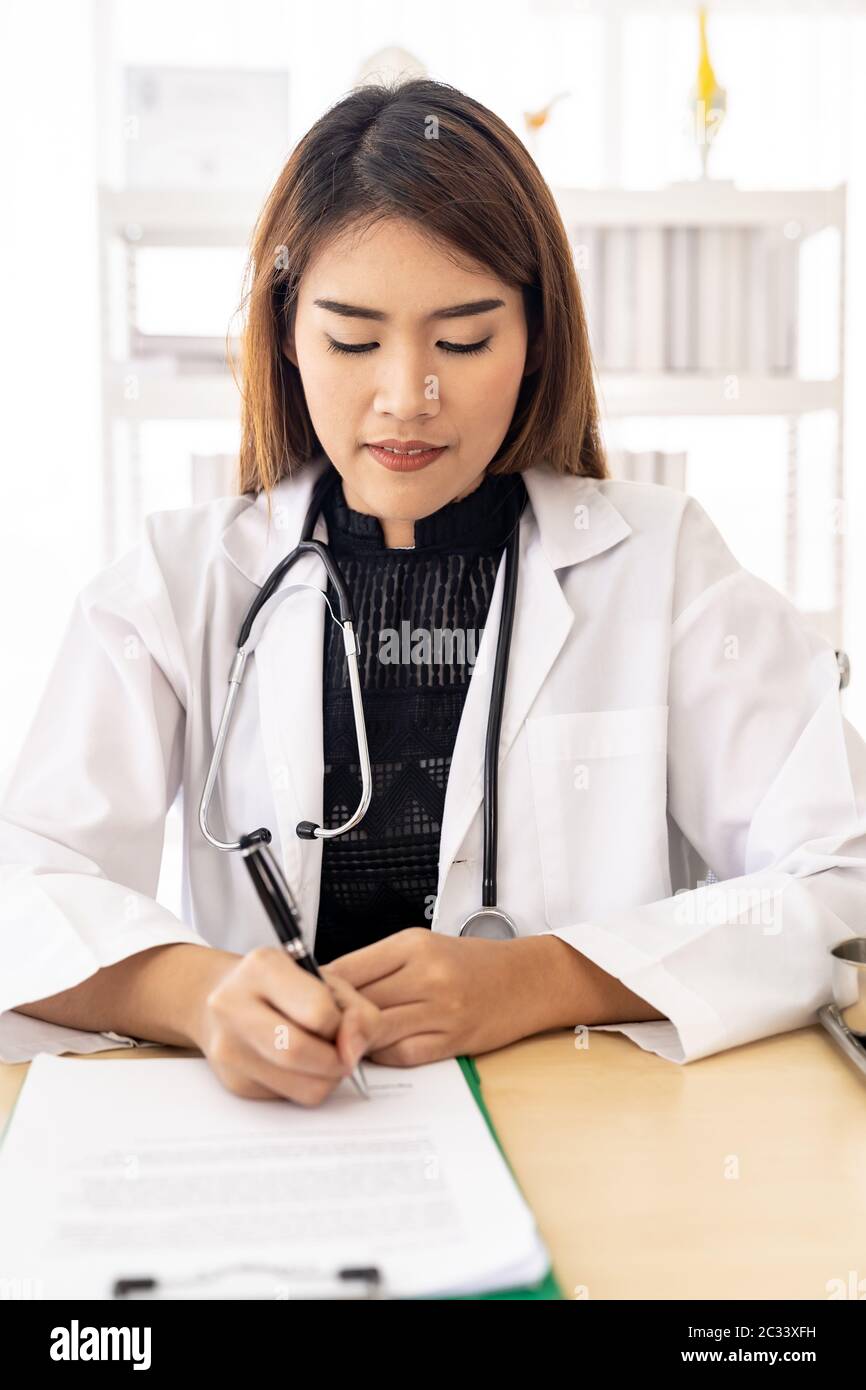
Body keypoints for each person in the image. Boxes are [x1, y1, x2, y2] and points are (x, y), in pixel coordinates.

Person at [3, 78, 865, 1105]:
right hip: (281, 1143)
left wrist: (541, 976)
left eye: (462, 340)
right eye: (352, 339)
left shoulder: (660, 563)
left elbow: (838, 875)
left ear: (535, 336)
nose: (405, 394)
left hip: (585, 1141)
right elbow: (23, 889)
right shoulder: (179, 580)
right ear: (285, 331)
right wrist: (195, 993)